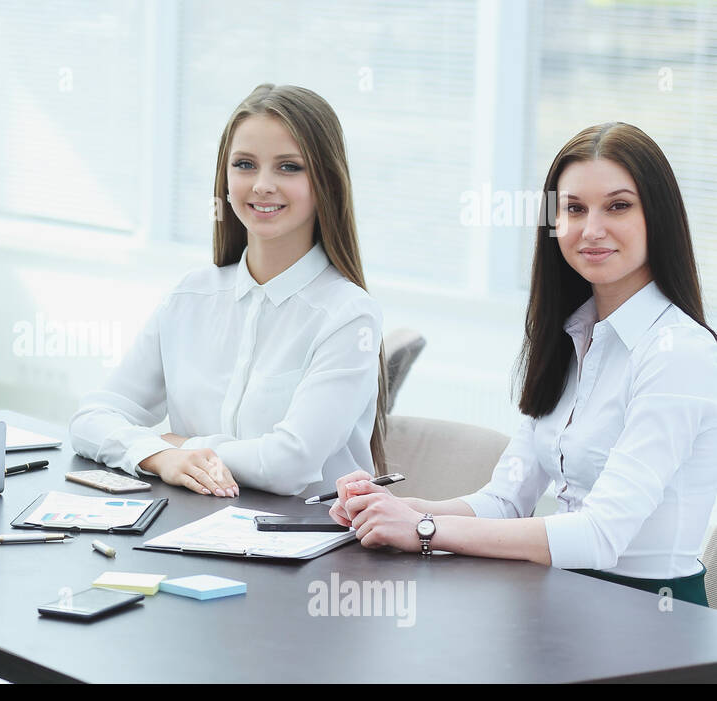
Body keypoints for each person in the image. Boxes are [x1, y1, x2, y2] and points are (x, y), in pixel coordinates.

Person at [331, 122, 717, 606]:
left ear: (657, 217)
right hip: (559, 599)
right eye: (574, 209)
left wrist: (426, 529)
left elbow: (600, 535)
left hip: (650, 620)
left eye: (618, 205)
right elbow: (505, 502)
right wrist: (394, 510)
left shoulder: (678, 353)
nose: (591, 229)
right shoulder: (571, 335)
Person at [69, 83, 387, 499]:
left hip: (303, 544)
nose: (262, 185)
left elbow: (289, 465)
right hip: (193, 530)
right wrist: (160, 456)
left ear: (325, 180)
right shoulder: (190, 297)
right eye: (245, 165)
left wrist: (183, 446)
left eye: (289, 167)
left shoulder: (348, 314)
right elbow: (91, 418)